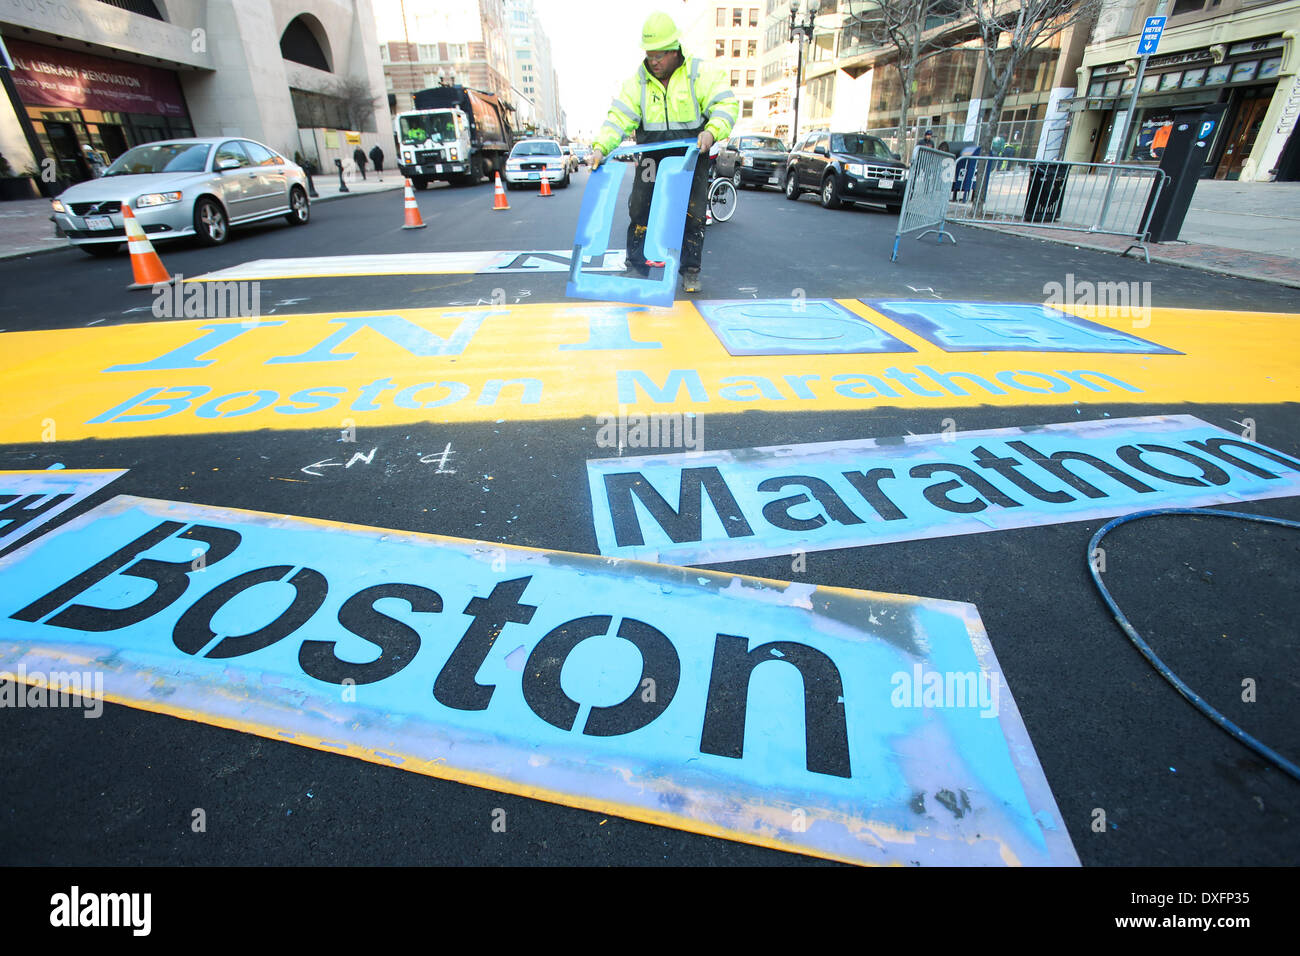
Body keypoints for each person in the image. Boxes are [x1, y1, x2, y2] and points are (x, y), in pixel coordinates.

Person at [587, 11, 738, 293]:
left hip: (691, 152)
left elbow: (725, 105)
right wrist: (600, 147)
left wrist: (712, 131)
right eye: (649, 54)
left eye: (659, 55)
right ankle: (636, 266)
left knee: (693, 212)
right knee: (640, 208)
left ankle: (690, 270)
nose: (653, 61)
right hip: (653, 154)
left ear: (674, 50)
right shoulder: (638, 82)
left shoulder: (699, 74)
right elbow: (618, 118)